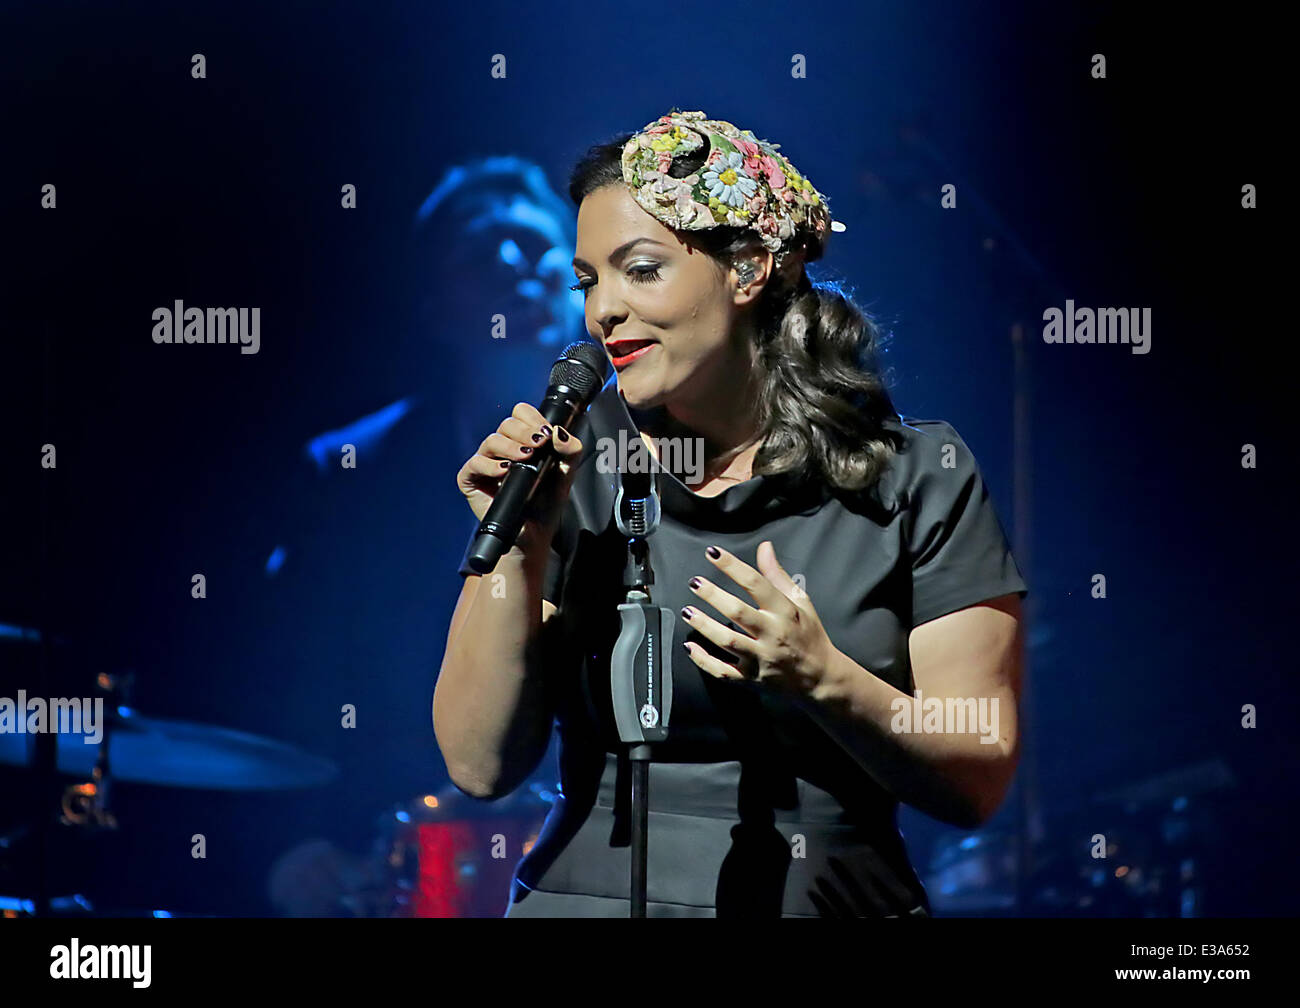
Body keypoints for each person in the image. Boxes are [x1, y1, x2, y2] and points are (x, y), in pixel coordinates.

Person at [434, 109, 1028, 917]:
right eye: (587, 280)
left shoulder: (918, 475)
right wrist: (518, 547)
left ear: (748, 269)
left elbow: (979, 772)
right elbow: (477, 764)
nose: (601, 310)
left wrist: (826, 680)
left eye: (639, 270)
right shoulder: (578, 463)